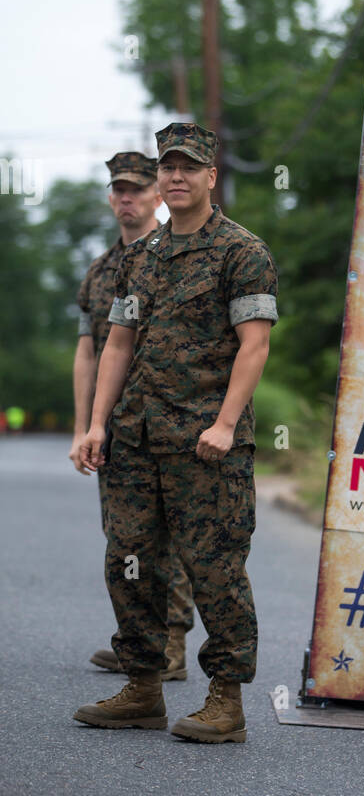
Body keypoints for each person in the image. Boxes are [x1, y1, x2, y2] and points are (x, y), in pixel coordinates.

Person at [75, 122, 278, 743]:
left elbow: (255, 346)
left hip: (204, 443)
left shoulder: (243, 253)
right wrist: (97, 424)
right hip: (134, 441)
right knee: (130, 561)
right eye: (169, 167)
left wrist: (223, 424)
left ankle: (225, 700)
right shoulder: (139, 258)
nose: (177, 176)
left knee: (215, 569)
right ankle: (142, 686)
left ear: (211, 176)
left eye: (189, 167)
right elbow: (117, 344)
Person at [69, 152, 195, 680]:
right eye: (119, 189)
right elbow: (89, 353)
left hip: (168, 422)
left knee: (171, 535)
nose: (127, 198)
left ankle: (170, 645)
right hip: (113, 425)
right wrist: (83, 427)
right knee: (124, 538)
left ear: (158, 196)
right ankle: (140, 644)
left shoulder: (177, 257)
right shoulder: (101, 271)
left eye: (138, 189)